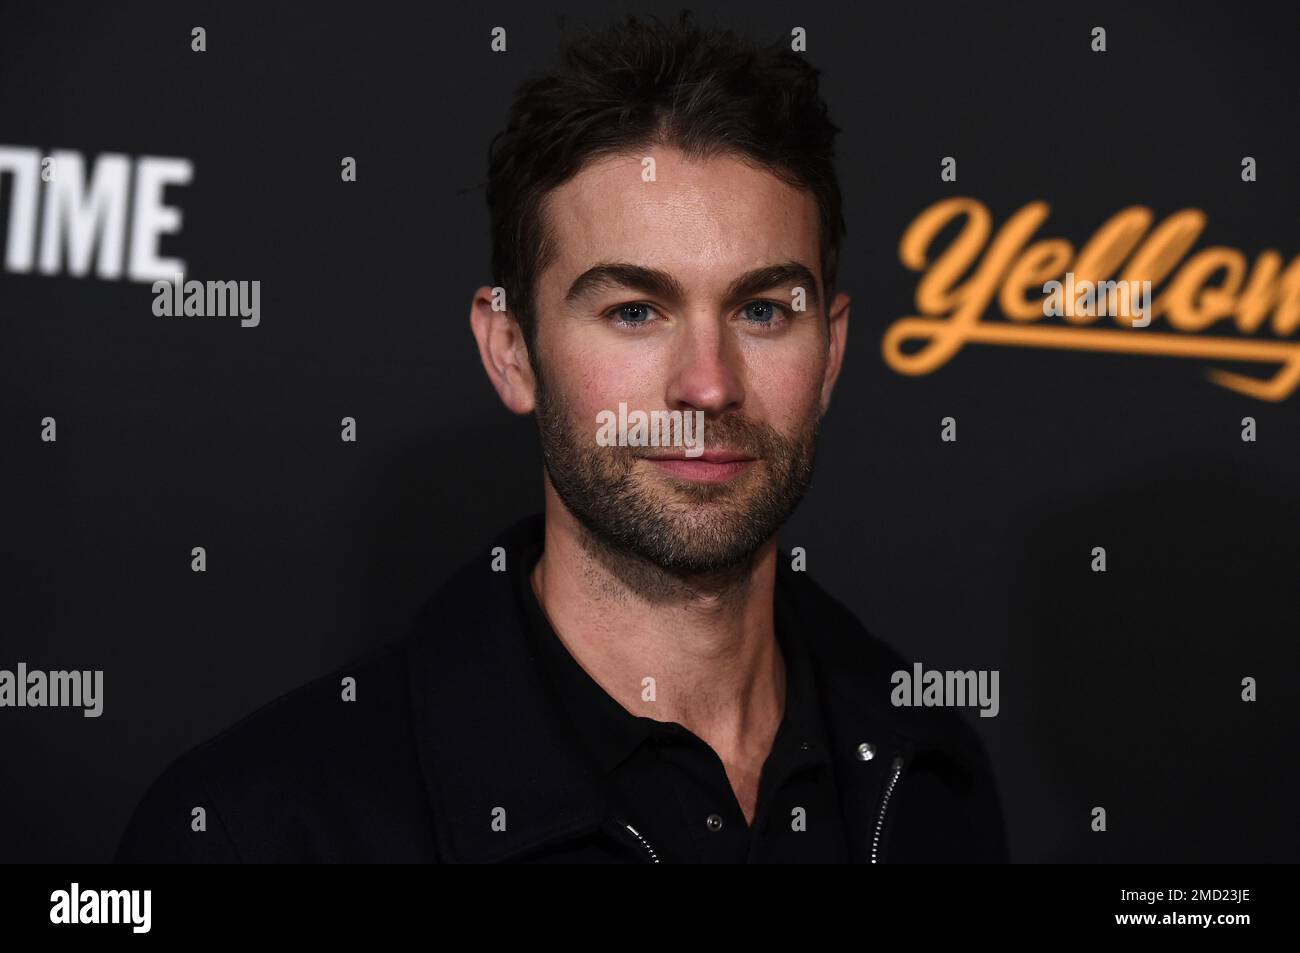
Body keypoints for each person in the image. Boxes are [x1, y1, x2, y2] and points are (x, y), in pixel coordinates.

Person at [116, 12, 1007, 864]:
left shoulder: (924, 768)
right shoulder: (260, 831)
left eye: (764, 309)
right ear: (511, 352)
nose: (709, 382)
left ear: (833, 352)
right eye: (633, 310)